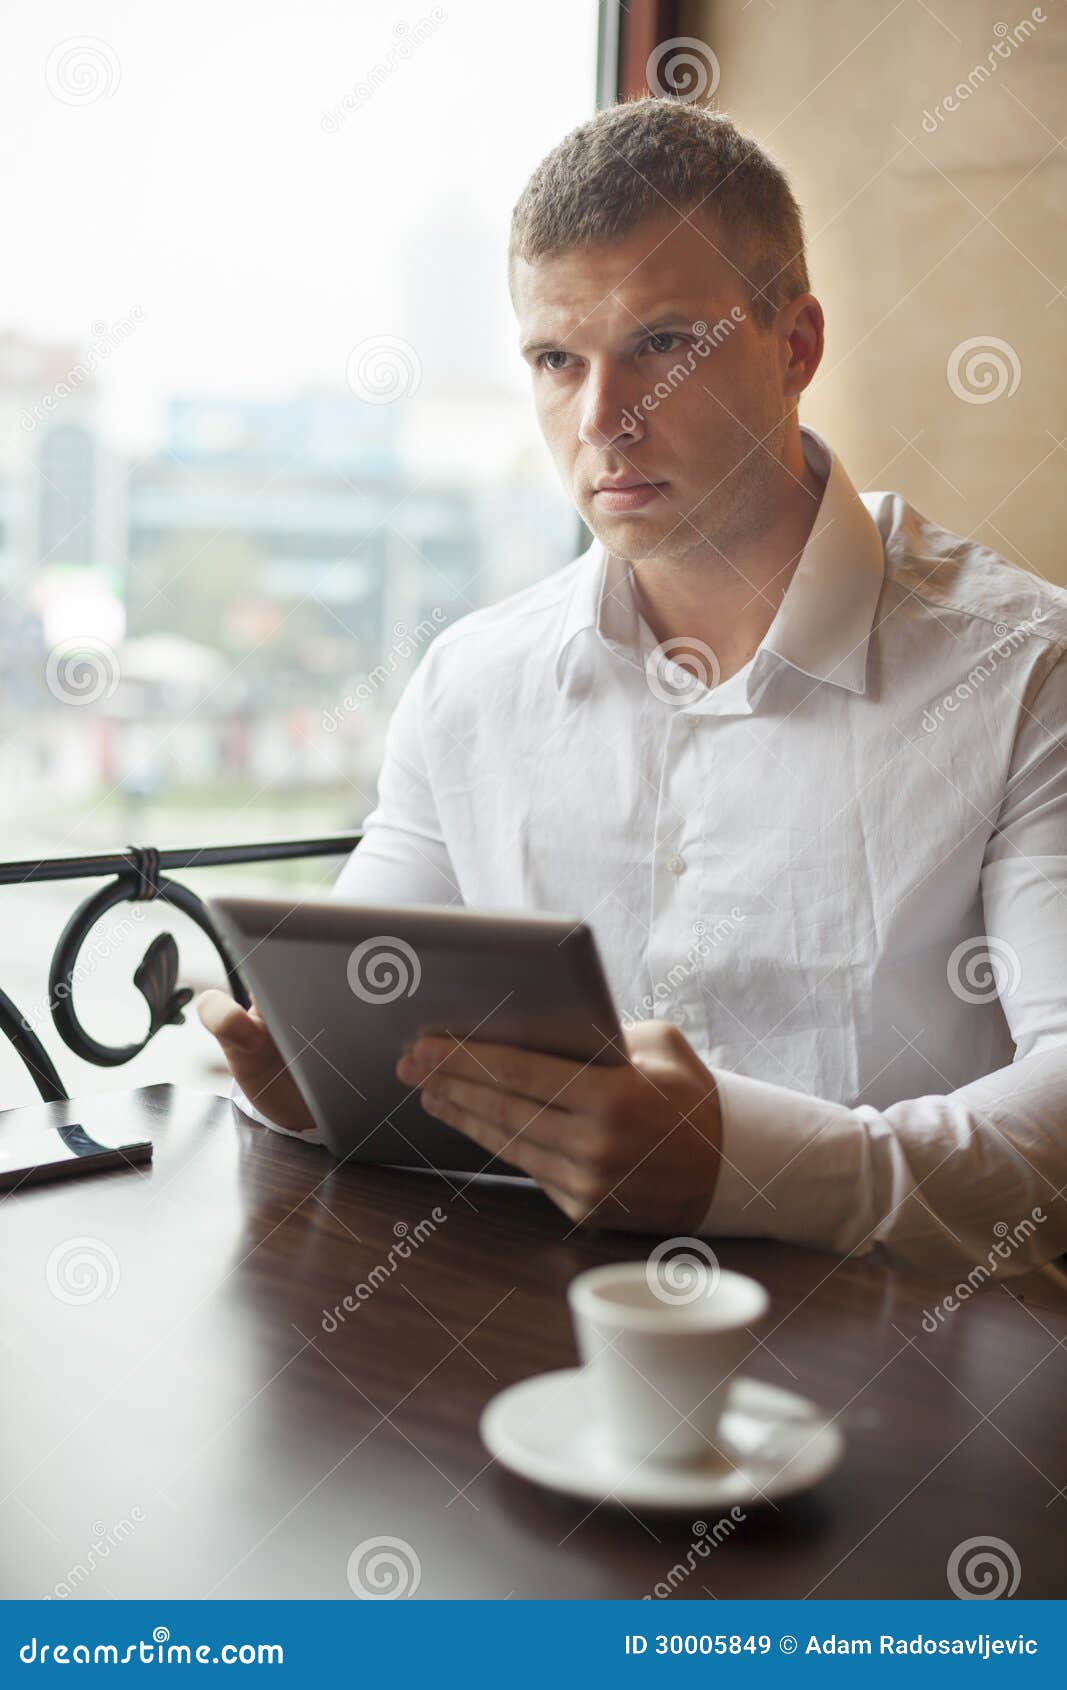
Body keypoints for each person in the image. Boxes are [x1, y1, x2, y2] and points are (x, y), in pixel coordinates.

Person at [199, 97, 1067, 1277]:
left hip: (908, 1380)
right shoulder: (468, 683)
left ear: (795, 347)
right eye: (556, 360)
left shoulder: (1021, 669)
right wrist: (305, 1082)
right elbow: (366, 1030)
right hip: (529, 1358)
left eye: (662, 344)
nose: (602, 420)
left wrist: (746, 1160)